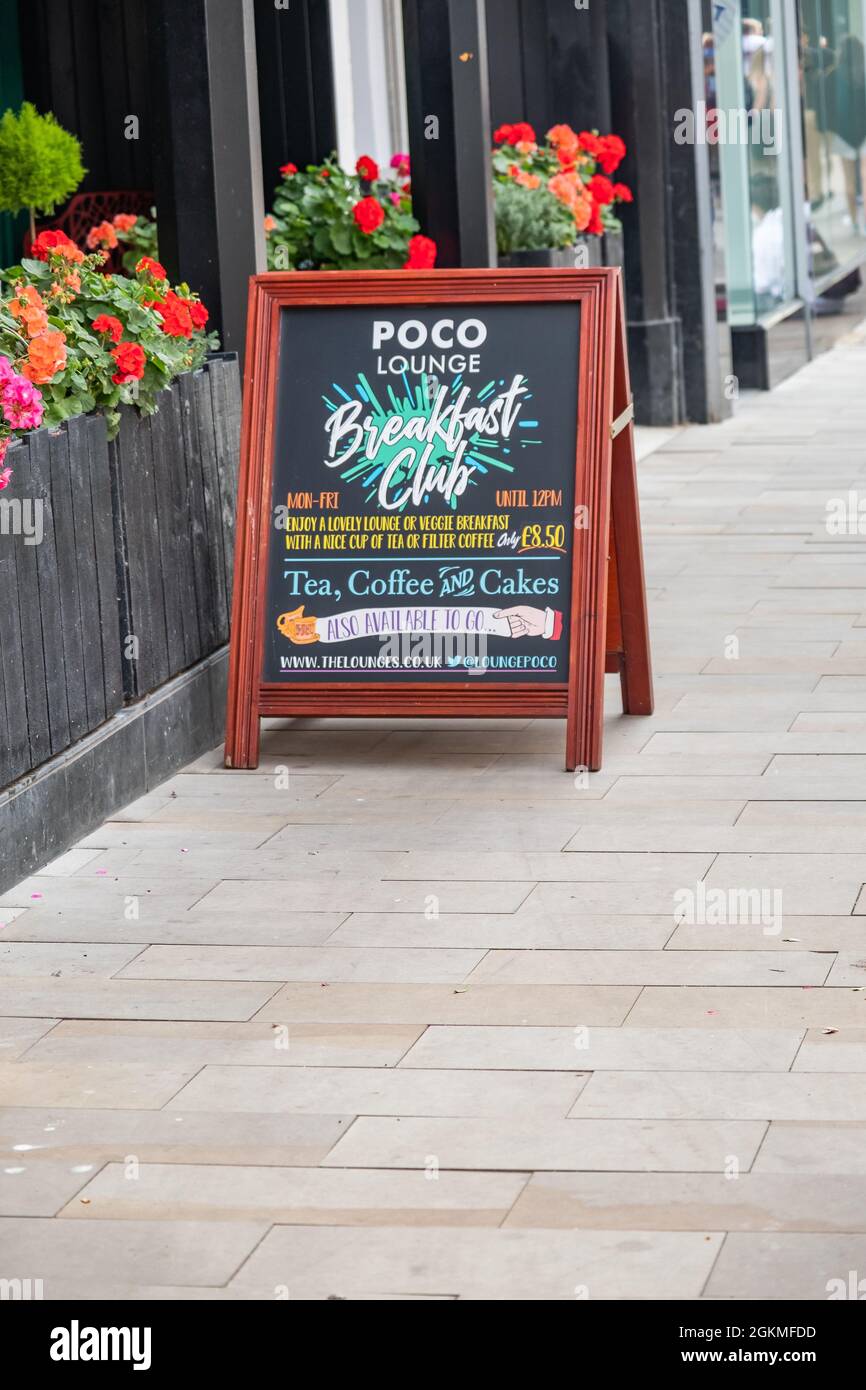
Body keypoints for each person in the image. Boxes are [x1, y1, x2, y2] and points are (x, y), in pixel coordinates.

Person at [826, 34, 866, 231]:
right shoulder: (864, 74)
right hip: (864, 132)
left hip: (843, 133)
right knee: (865, 177)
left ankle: (855, 221)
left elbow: (829, 108)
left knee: (849, 182)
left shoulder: (833, 75)